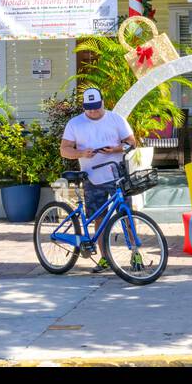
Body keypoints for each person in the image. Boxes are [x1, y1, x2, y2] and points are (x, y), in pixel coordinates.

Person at [60, 87, 137, 271]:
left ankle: (135, 254)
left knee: (126, 214)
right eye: (89, 108)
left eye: (96, 107)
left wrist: (115, 149)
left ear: (103, 102)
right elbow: (64, 149)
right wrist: (80, 153)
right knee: (99, 218)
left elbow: (132, 142)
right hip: (91, 177)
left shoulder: (115, 119)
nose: (93, 111)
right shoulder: (74, 123)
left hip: (117, 175)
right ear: (84, 106)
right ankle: (105, 258)